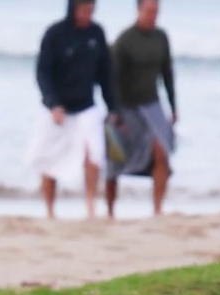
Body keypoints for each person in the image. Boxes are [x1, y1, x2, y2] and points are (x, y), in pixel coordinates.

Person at [27, 0, 120, 220]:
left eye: (91, 9)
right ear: (73, 8)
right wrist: (53, 103)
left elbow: (105, 75)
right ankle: (50, 210)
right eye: (84, 9)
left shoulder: (97, 34)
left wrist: (113, 107)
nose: (88, 14)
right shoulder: (55, 34)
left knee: (93, 155)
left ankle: (90, 205)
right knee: (51, 159)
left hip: (86, 106)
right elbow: (43, 72)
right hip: (57, 108)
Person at [106, 0, 178, 218]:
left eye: (156, 11)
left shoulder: (161, 37)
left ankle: (158, 209)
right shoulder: (125, 40)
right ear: (139, 10)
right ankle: (110, 211)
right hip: (126, 107)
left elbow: (167, 73)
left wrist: (174, 106)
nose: (153, 15)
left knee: (161, 152)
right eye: (149, 11)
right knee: (115, 159)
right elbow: (111, 78)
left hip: (152, 105)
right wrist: (114, 111)